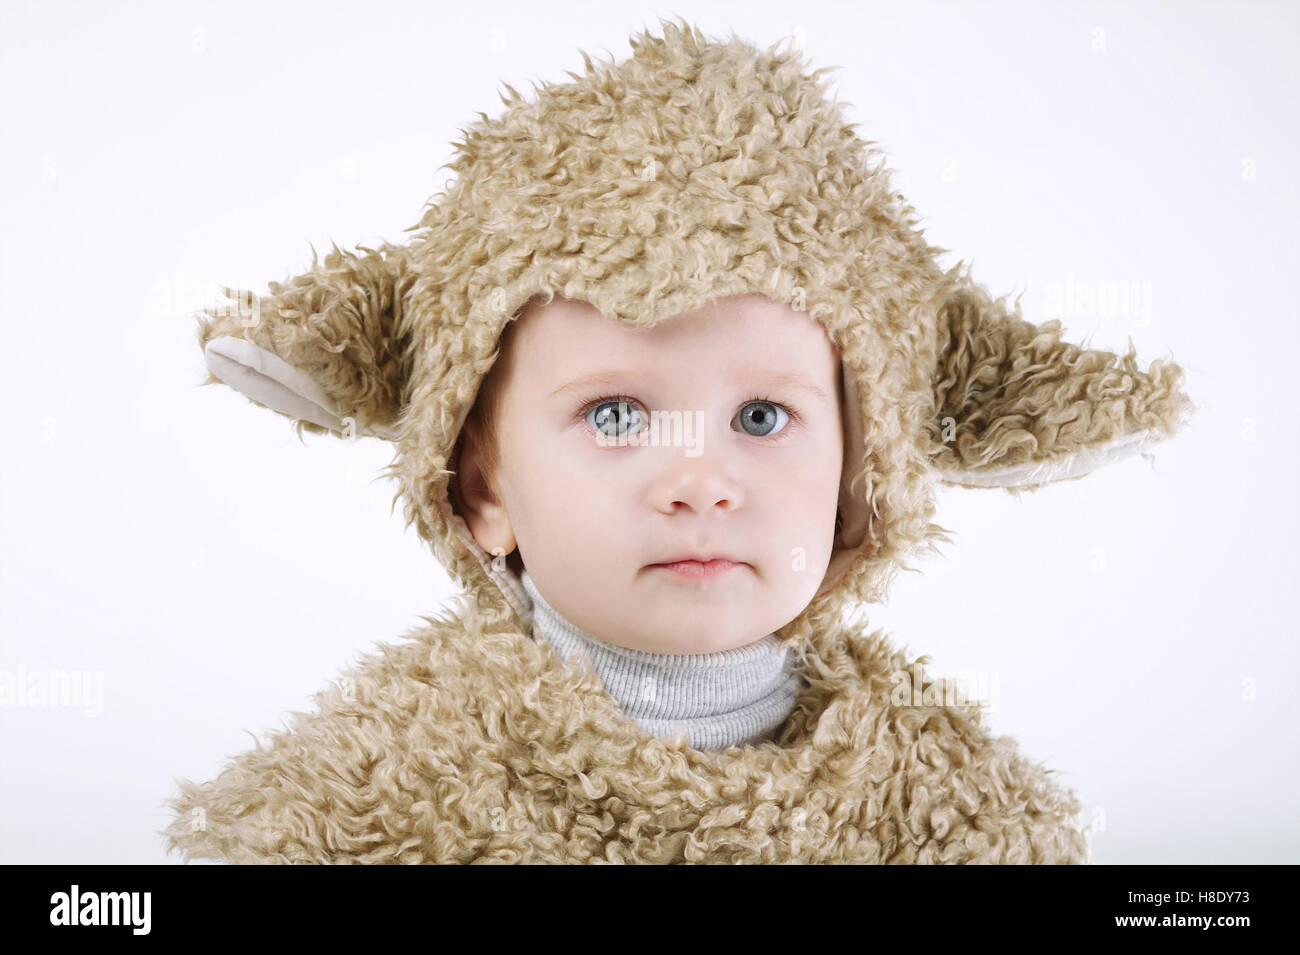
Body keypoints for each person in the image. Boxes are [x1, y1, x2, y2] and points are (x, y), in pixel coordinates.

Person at [163, 17, 1192, 863]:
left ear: (859, 474)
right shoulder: (362, 803)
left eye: (761, 417)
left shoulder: (952, 815)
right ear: (481, 486)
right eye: (615, 415)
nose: (699, 480)